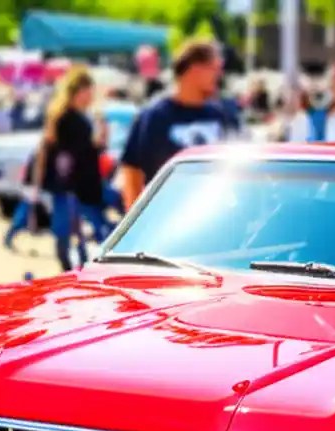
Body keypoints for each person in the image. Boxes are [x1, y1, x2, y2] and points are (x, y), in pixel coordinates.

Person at [118, 39, 228, 208]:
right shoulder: (155, 116)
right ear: (195, 69)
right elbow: (132, 170)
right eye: (215, 68)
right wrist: (137, 221)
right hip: (168, 220)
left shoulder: (218, 115)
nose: (220, 75)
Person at [28, 66, 107, 271]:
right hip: (70, 185)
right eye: (87, 91)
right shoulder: (67, 118)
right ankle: (72, 270)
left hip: (74, 184)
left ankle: (75, 269)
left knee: (79, 233)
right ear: (77, 92)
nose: (90, 96)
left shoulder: (73, 116)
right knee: (72, 233)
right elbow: (66, 152)